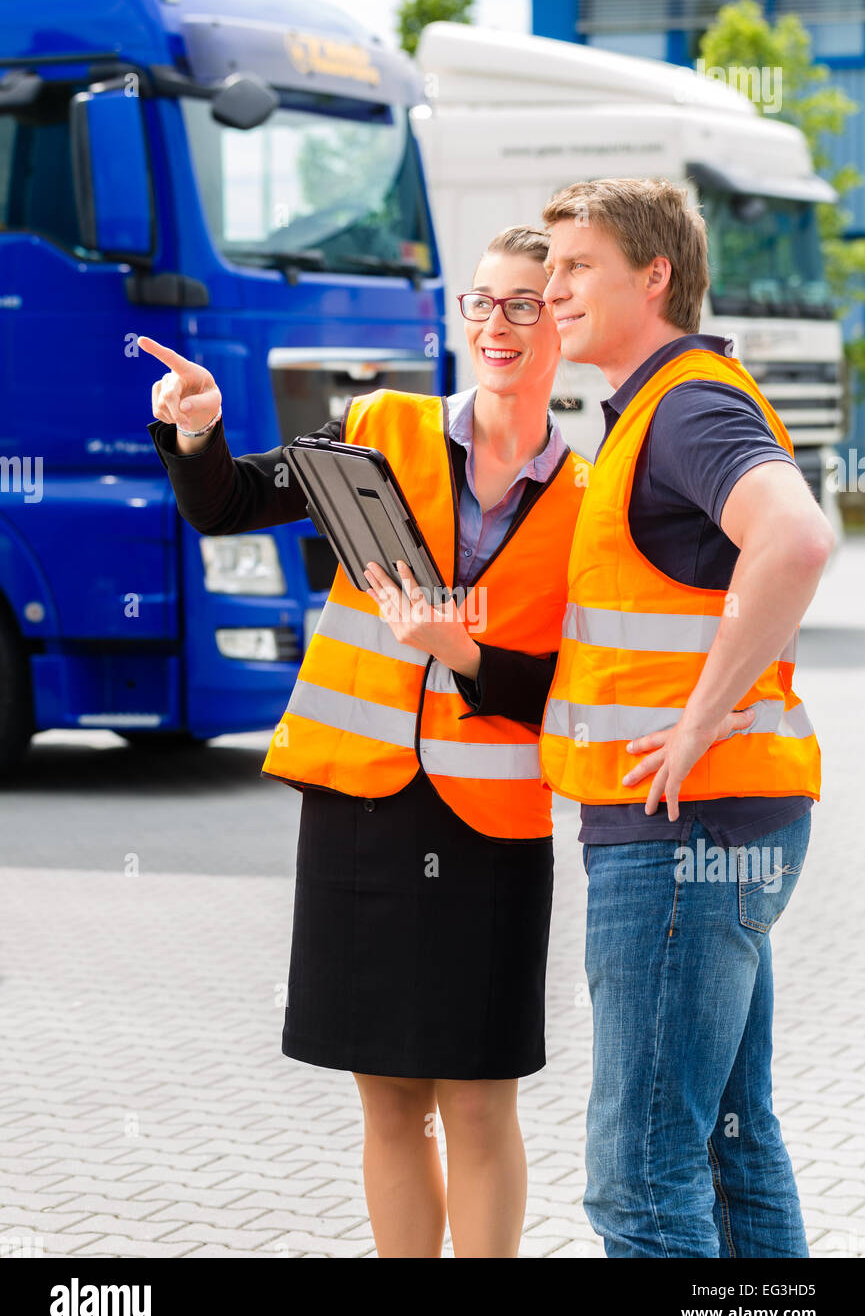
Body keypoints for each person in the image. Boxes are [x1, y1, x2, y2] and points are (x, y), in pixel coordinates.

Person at [140, 226, 589, 1258]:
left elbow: (575, 690)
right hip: (359, 815)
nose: (496, 324)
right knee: (387, 1099)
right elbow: (233, 502)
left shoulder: (586, 499)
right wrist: (200, 431)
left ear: (559, 321)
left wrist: (461, 653)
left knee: (477, 1102)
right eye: (481, 301)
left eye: (523, 302)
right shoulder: (382, 425)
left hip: (489, 831)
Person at [537, 178, 833, 1258]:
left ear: (652, 276)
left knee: (640, 1172)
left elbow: (795, 541)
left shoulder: (687, 406)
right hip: (716, 823)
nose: (551, 287)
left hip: (682, 828)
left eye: (576, 266)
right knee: (727, 1142)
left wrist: (701, 715)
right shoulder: (653, 411)